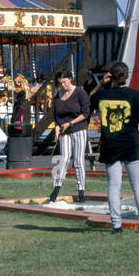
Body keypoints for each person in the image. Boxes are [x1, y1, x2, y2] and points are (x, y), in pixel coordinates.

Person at [94, 61, 139, 234]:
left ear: (112, 77)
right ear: (127, 76)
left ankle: (116, 225)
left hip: (110, 144)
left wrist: (101, 84)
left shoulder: (103, 96)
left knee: (114, 186)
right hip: (129, 144)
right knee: (138, 184)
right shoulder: (135, 96)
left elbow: (87, 98)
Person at [48, 72, 91, 203]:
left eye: (65, 82)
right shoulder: (58, 96)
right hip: (64, 131)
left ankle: (81, 191)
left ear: (70, 79)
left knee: (78, 161)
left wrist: (70, 123)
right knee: (63, 159)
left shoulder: (80, 93)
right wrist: (56, 127)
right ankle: (56, 187)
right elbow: (56, 117)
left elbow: (85, 113)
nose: (63, 85)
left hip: (78, 129)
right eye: (60, 83)